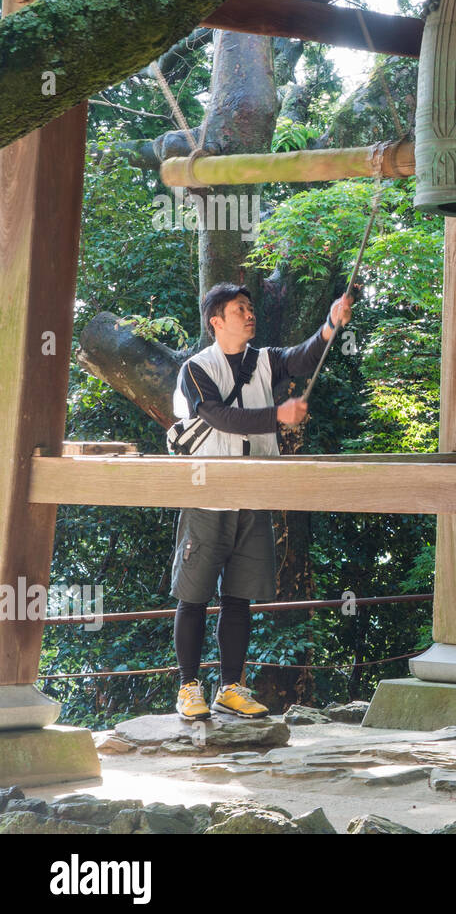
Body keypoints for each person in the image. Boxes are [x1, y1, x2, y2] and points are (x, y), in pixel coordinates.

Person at [170, 282, 351, 720]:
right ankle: (187, 687)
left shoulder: (265, 359)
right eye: (239, 309)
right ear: (216, 320)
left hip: (254, 493)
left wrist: (331, 324)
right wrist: (277, 415)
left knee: (238, 598)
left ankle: (230, 686)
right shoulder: (196, 368)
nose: (249, 314)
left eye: (250, 307)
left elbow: (303, 358)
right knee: (193, 597)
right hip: (208, 494)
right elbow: (217, 416)